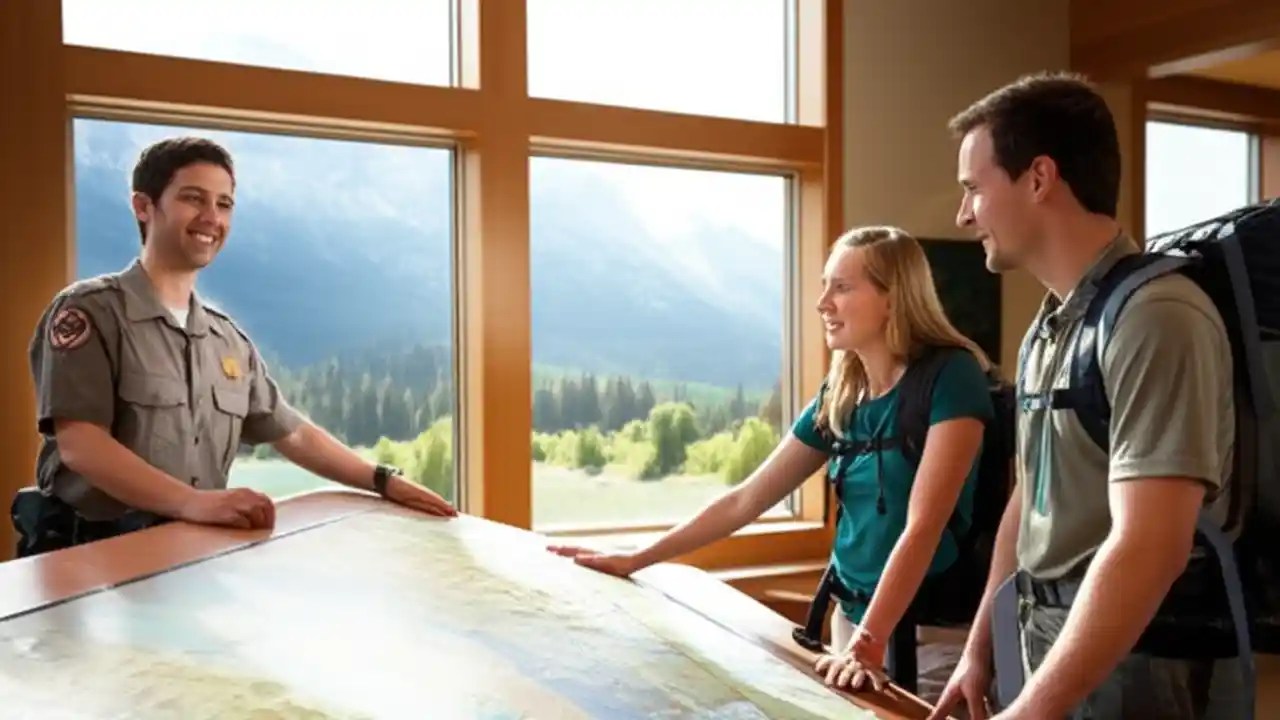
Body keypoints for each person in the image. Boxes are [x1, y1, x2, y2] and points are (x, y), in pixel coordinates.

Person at [549, 225, 996, 695]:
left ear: (894, 298)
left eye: (842, 287)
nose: (823, 303)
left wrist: (868, 644)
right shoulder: (842, 393)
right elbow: (745, 500)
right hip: (851, 630)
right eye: (824, 286)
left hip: (929, 638)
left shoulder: (952, 376)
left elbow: (924, 526)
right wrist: (638, 558)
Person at [929, 72, 1242, 720]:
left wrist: (1032, 709)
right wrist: (979, 651)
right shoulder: (1049, 328)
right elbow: (1029, 499)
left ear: (1039, 178)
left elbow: (1150, 548)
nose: (963, 214)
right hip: (1047, 650)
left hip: (1137, 672)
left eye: (973, 188)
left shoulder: (1159, 317)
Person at [15, 136, 456, 557]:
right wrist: (193, 502)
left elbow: (293, 432)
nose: (212, 217)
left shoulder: (227, 341)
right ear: (143, 206)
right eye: (193, 198)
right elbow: (82, 445)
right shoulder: (89, 312)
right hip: (91, 562)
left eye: (224, 204)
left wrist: (382, 480)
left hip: (191, 559)